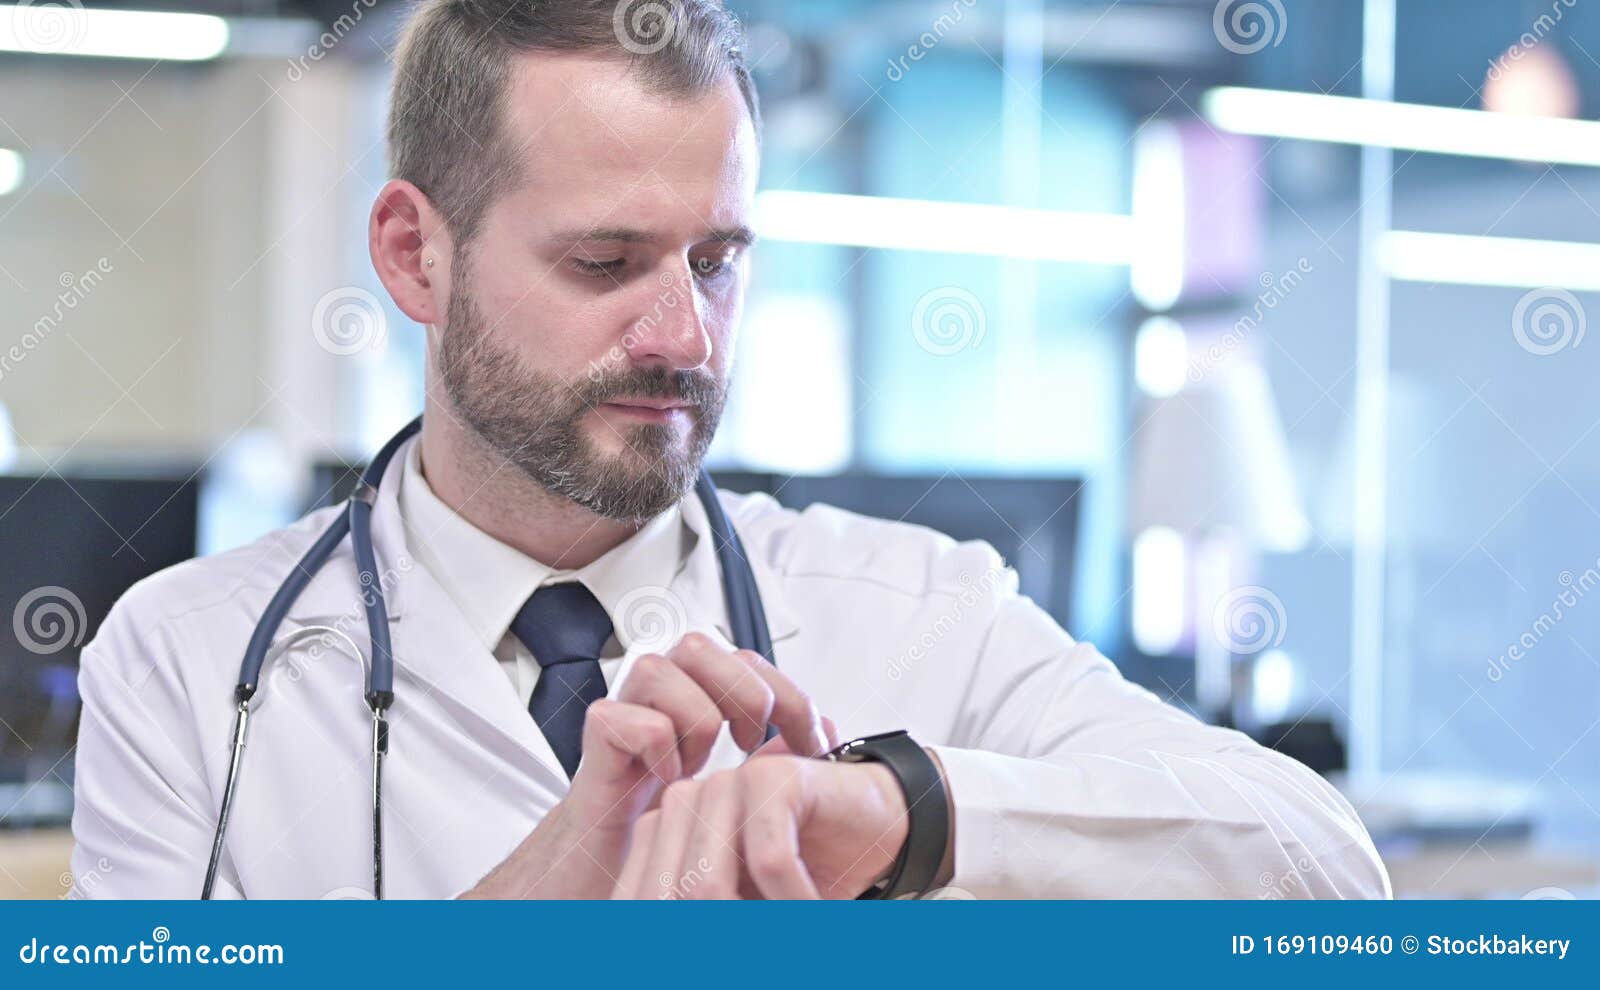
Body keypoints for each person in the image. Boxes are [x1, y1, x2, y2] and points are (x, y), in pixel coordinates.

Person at [68, 0, 1389, 900]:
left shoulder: (925, 607)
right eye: (605, 260)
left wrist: (904, 813)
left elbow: (1323, 865)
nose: (683, 334)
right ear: (416, 254)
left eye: (718, 260)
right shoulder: (189, 661)